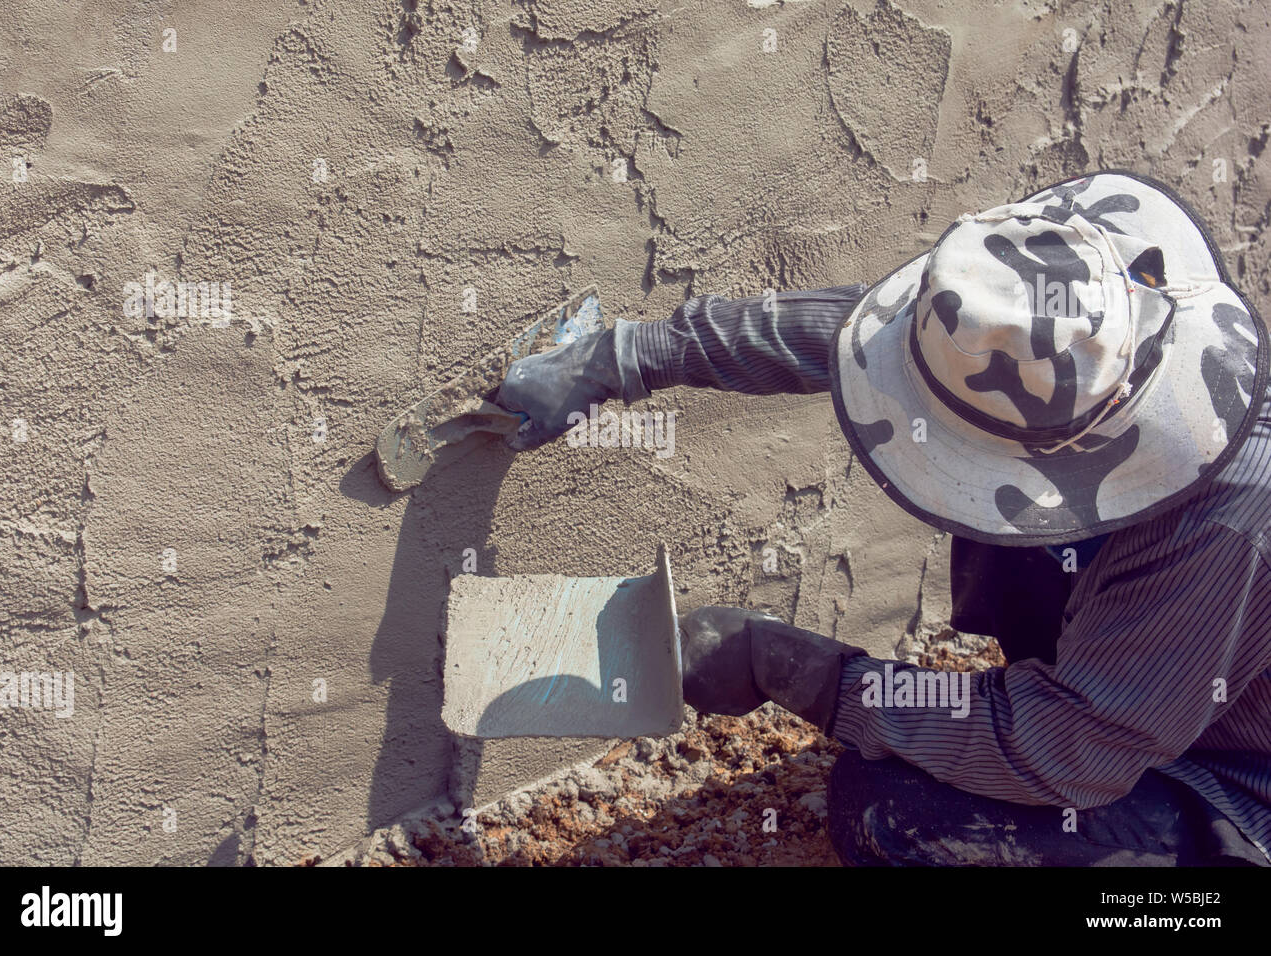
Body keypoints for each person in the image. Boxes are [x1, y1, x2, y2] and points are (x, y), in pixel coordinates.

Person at [493, 171, 1271, 866]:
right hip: (1158, 688)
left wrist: (807, 674)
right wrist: (632, 356)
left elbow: (1071, 750)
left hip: (1239, 781)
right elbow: (874, 343)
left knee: (892, 813)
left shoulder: (1221, 523)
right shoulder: (1113, 314)